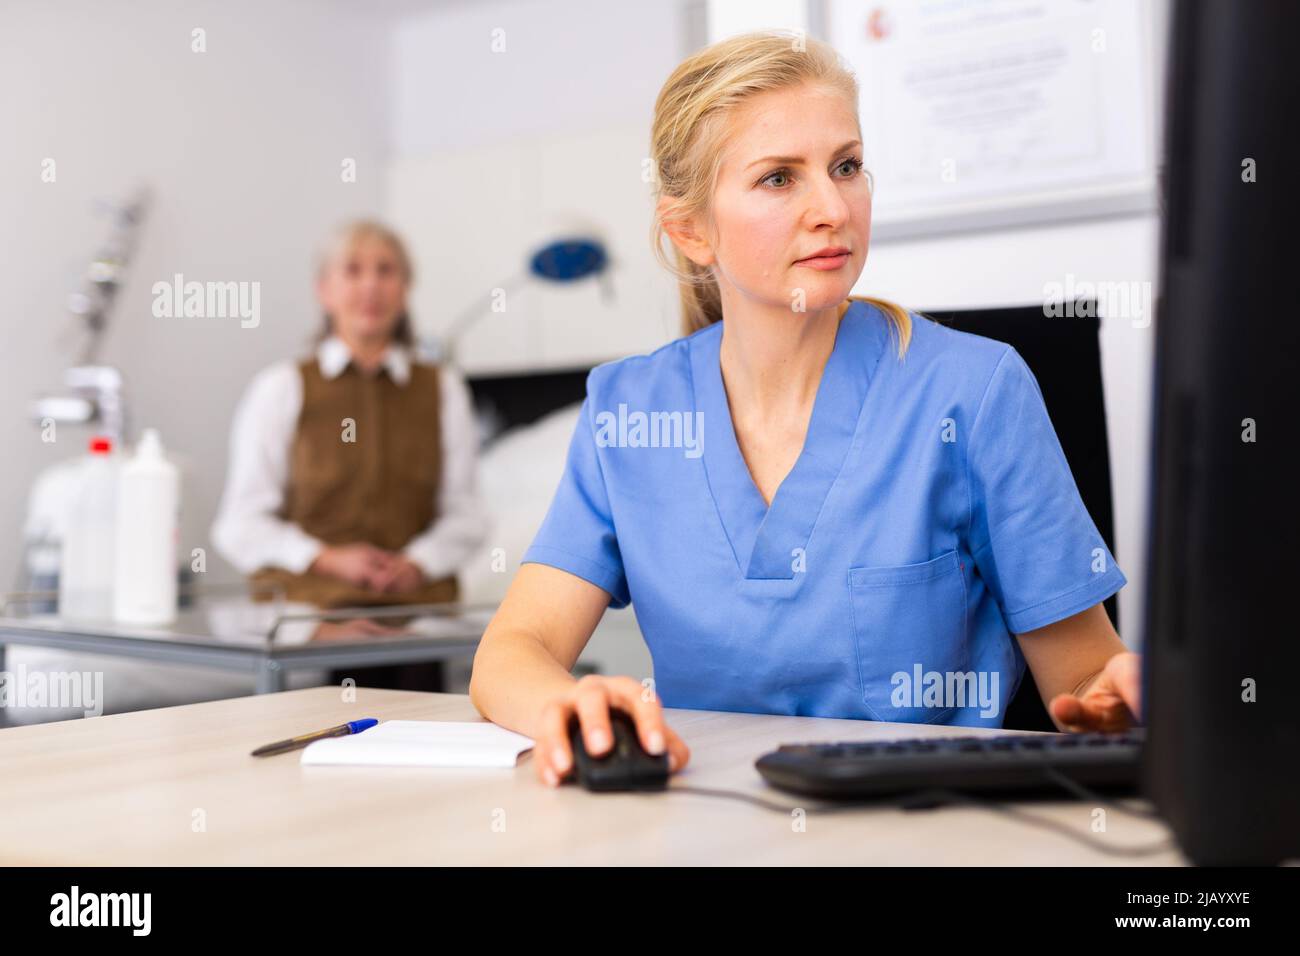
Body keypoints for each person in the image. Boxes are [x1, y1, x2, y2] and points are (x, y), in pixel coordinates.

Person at [470, 32, 1142, 786]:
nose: (832, 207)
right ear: (691, 231)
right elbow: (511, 653)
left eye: (846, 167)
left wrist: (1114, 699)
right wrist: (567, 704)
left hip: (922, 829)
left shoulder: (975, 390)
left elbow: (1083, 680)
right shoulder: (627, 413)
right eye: (779, 178)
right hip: (699, 828)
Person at [213, 220, 489, 616]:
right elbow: (240, 525)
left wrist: (418, 562)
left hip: (416, 607)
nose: (371, 286)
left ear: (405, 289)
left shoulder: (444, 390)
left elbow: (466, 515)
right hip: (306, 607)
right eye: (353, 270)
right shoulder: (280, 388)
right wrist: (324, 558)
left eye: (386, 270)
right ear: (324, 290)